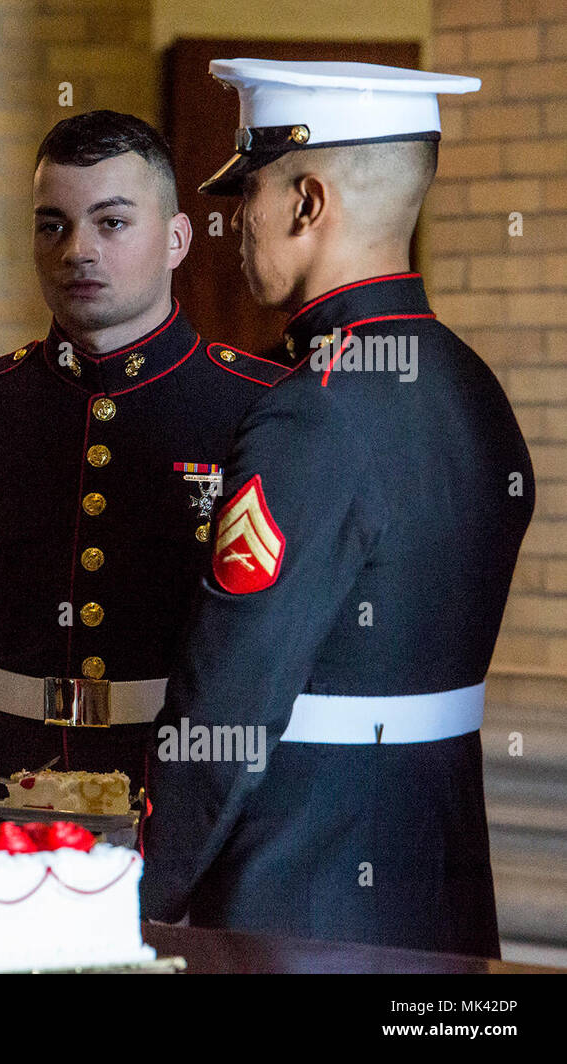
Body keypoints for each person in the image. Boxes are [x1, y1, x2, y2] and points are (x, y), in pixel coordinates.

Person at [141, 60, 534, 957]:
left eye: (250, 198)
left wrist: (142, 898)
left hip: (297, 905)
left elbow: (227, 705)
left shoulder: (312, 408)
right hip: (440, 898)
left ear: (306, 203)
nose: (237, 227)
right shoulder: (473, 388)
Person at [0, 111, 275, 822]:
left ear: (177, 239)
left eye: (112, 223)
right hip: (2, 796)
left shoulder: (260, 410)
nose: (78, 251)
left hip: (189, 800)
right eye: (53, 225)